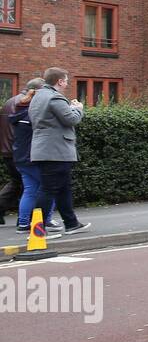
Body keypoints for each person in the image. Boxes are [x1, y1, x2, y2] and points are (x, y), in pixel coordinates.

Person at [29, 68, 91, 235]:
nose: (67, 83)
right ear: (60, 81)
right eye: (66, 80)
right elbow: (71, 119)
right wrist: (78, 108)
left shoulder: (38, 96)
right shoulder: (55, 97)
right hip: (55, 151)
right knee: (48, 189)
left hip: (43, 149)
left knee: (63, 188)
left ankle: (71, 224)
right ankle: (37, 231)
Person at [7, 79, 55, 235]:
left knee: (29, 190)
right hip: (35, 156)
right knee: (50, 187)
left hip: (20, 156)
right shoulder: (34, 113)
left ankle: (23, 223)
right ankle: (44, 221)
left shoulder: (19, 111)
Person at [0, 86, 22, 227]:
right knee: (30, 186)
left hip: (7, 150)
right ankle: (26, 219)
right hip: (18, 150)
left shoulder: (10, 102)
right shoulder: (24, 104)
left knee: (16, 183)